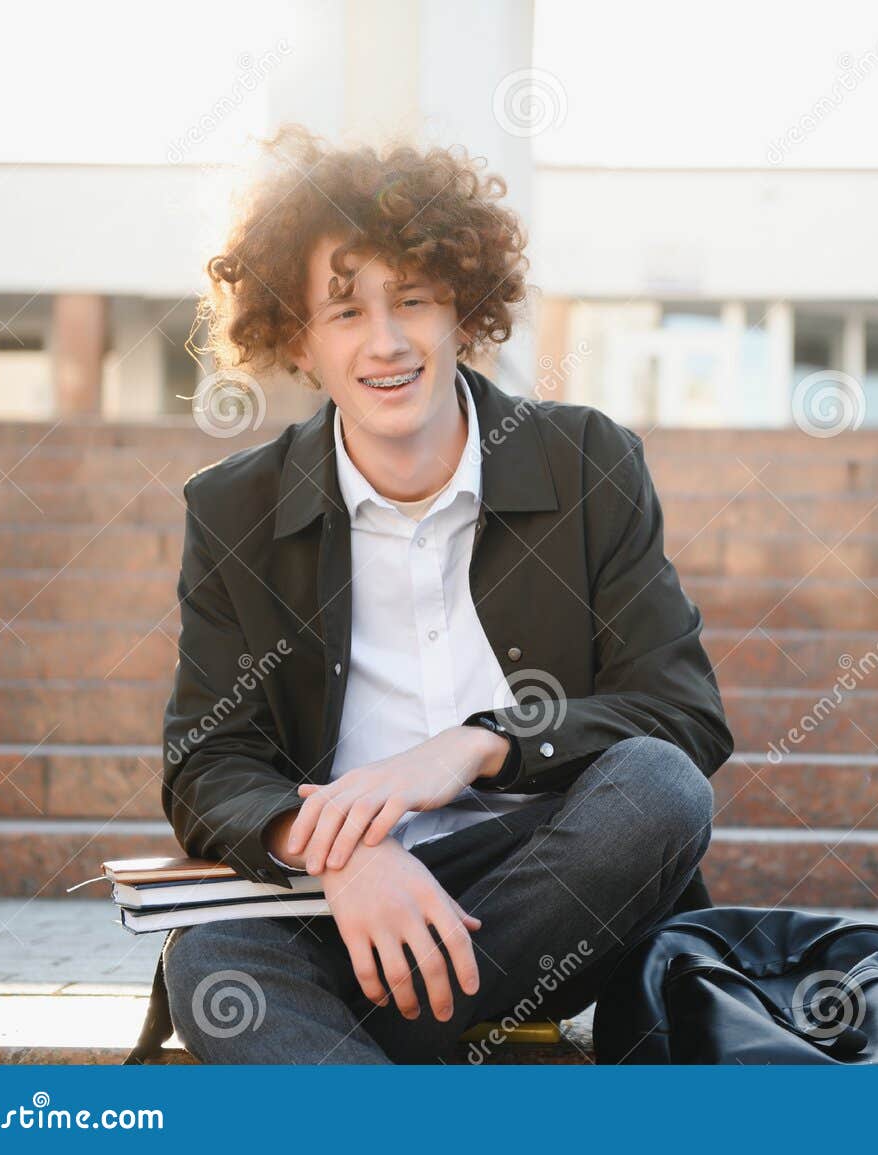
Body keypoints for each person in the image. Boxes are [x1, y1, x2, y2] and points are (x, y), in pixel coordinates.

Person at [139, 125, 734, 1064]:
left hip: (541, 896)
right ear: (298, 339)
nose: (385, 342)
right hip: (343, 911)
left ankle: (361, 1051)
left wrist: (478, 746)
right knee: (213, 964)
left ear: (464, 309)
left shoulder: (585, 461)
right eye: (343, 313)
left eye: (412, 300)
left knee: (659, 786)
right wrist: (335, 847)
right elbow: (208, 760)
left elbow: (684, 715)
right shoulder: (236, 508)